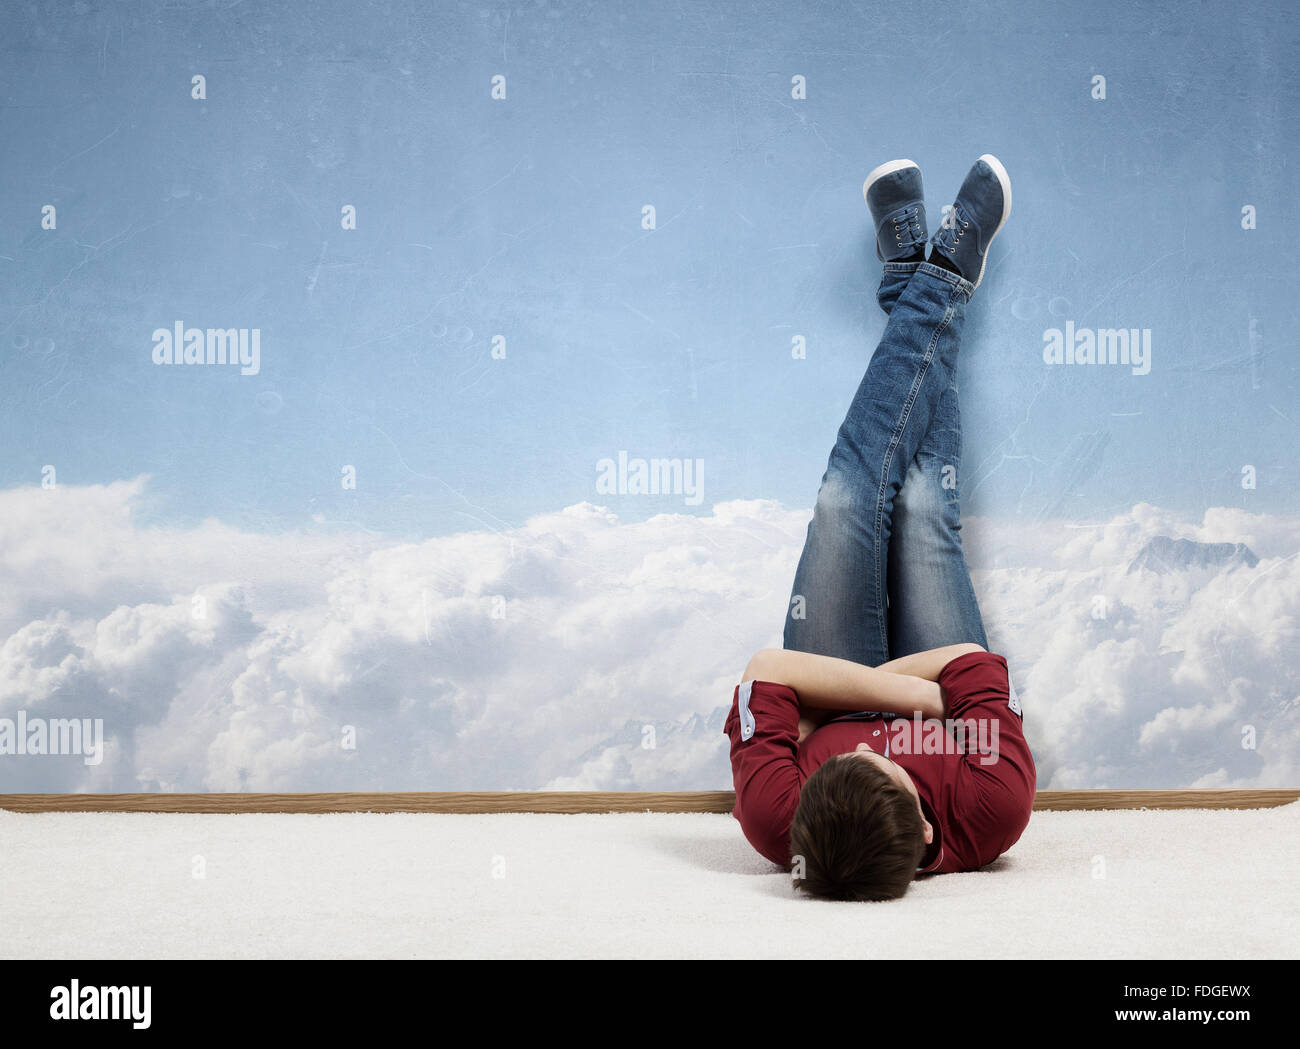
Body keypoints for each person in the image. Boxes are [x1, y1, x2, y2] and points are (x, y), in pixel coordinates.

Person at [723, 155, 1036, 901]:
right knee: (925, 505)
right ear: (927, 829)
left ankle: (924, 280)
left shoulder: (778, 821)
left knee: (846, 498)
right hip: (863, 685)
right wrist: (832, 707)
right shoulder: (993, 809)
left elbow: (766, 666)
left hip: (892, 691)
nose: (873, 746)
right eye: (888, 759)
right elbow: (966, 657)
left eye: (841, 757)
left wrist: (932, 709)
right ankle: (937, 282)